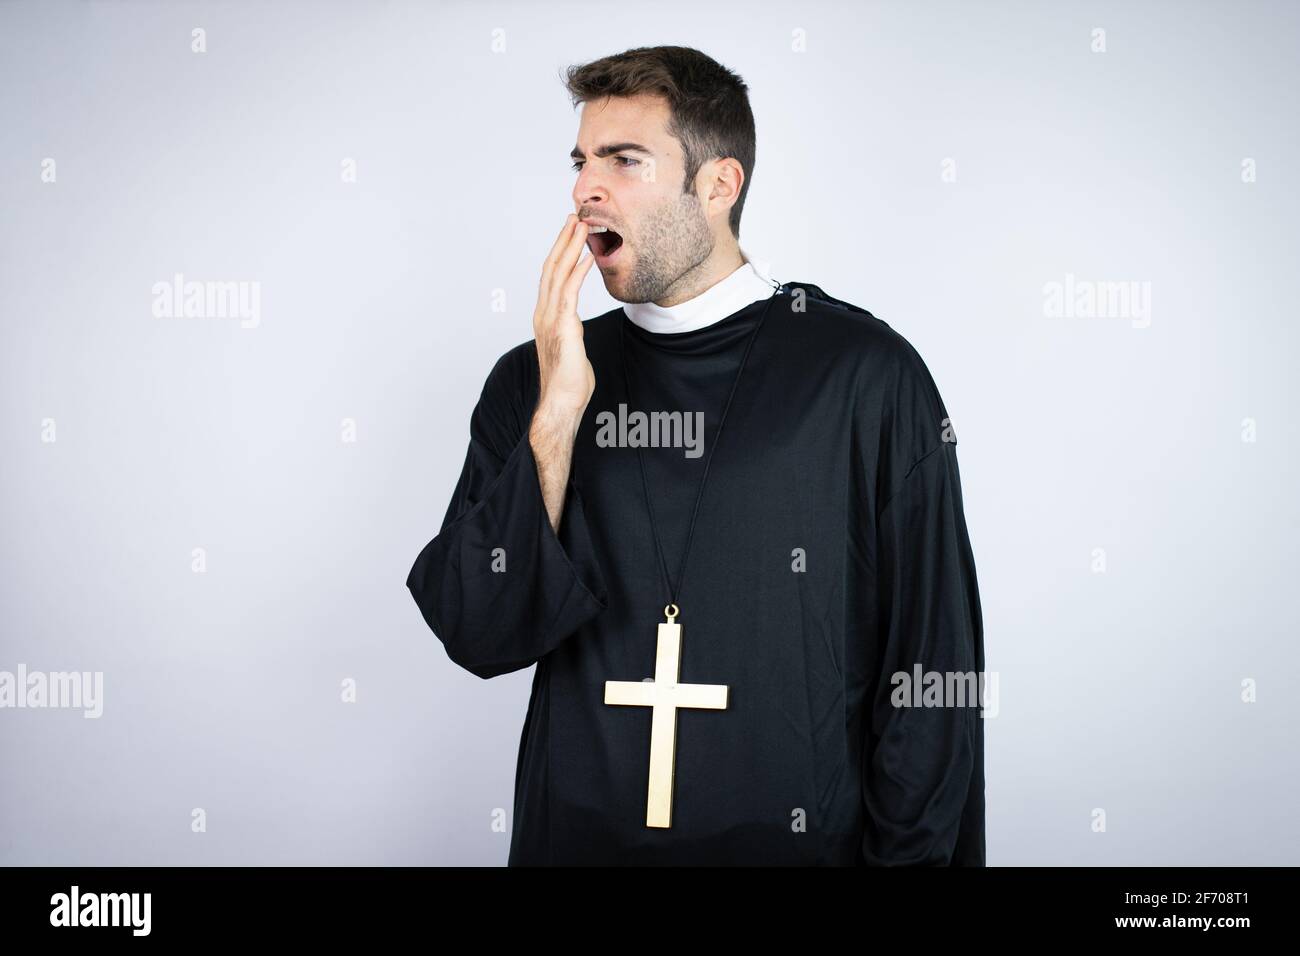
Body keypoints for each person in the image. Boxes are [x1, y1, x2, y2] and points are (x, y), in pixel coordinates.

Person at [406, 45, 985, 866]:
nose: (583, 190)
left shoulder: (865, 377)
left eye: (623, 160)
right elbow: (477, 632)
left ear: (718, 186)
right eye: (580, 162)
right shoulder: (534, 380)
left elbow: (930, 681)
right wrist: (558, 416)